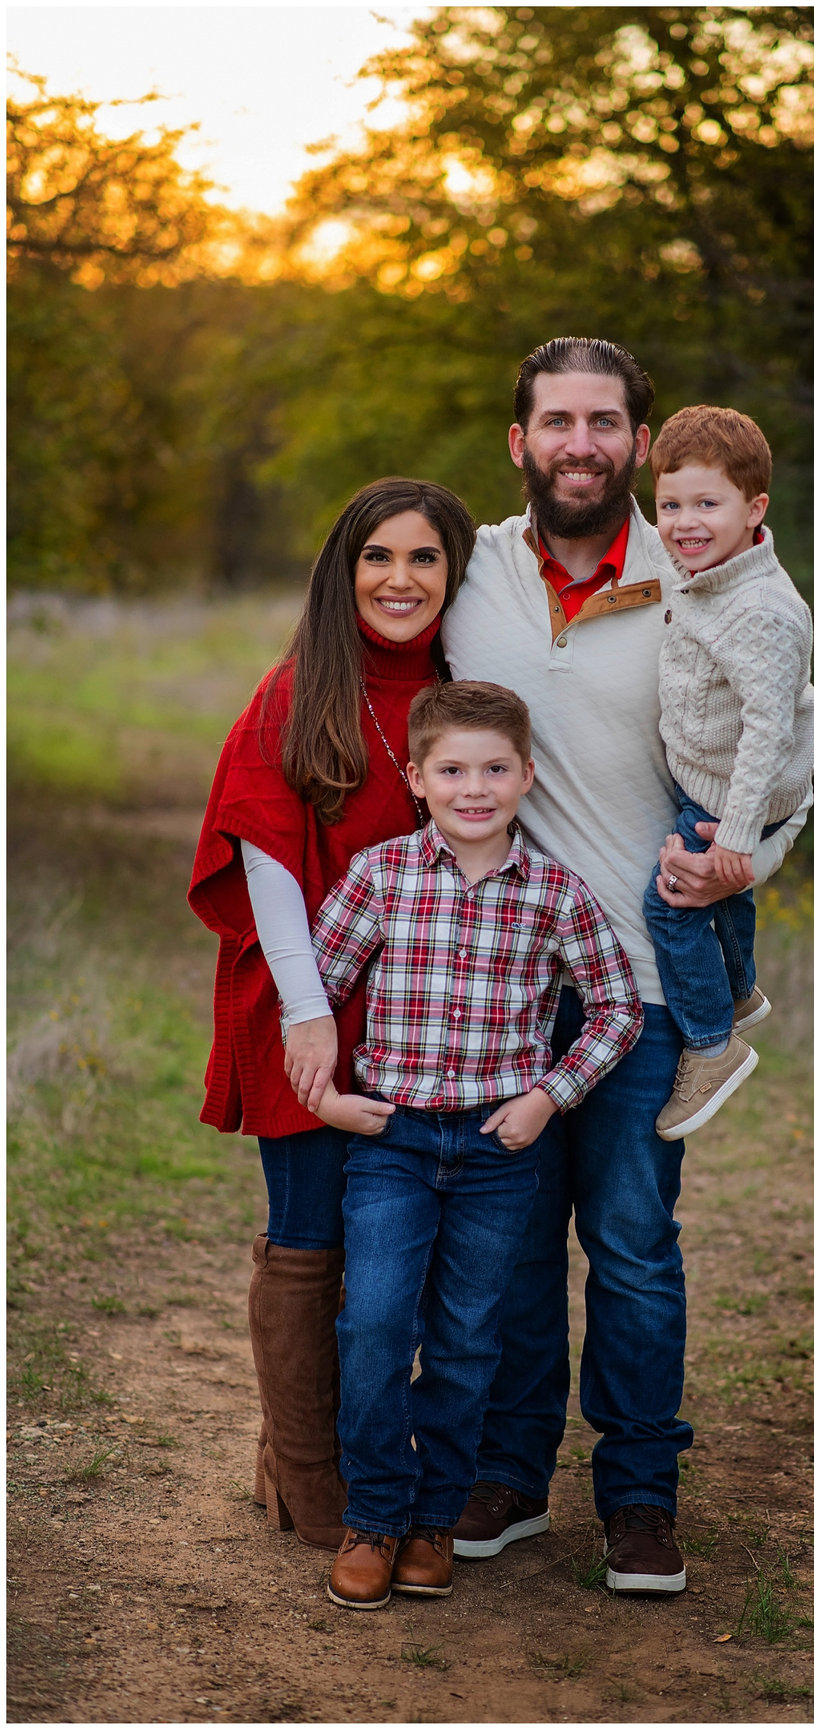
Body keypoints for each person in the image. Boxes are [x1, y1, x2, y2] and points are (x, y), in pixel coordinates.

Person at [440, 337, 812, 1594]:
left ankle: (641, 1493)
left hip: (642, 984)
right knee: (513, 1244)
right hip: (500, 984)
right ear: (521, 442)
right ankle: (507, 1468)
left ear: (641, 445)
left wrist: (746, 861)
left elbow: (790, 748)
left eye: (606, 420)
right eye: (558, 420)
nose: (581, 442)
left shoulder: (701, 571)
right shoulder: (471, 572)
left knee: (636, 1243)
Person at [301, 681, 642, 1610]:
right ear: (416, 778)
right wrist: (329, 1101)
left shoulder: (555, 895)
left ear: (528, 777)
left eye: (495, 769)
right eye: (452, 770)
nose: (474, 788)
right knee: (374, 1323)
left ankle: (432, 1521)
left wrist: (549, 1095)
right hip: (394, 1143)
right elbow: (313, 991)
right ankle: (374, 1513)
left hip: (500, 1150)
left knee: (464, 1339)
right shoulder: (381, 877)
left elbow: (614, 1011)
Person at [188, 477, 475, 1550]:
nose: (400, 579)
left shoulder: (464, 689)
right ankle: (308, 1474)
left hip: (434, 1011)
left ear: (453, 577)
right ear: (342, 570)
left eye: (424, 559)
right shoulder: (302, 687)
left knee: (407, 1247)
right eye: (377, 557)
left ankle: (411, 1466)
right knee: (311, 1235)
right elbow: (265, 858)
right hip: (305, 989)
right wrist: (309, 1017)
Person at [644, 405, 814, 1141]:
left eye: (706, 504)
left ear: (755, 509)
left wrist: (739, 837)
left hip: (739, 796)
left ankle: (713, 1045)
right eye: (670, 505)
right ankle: (740, 988)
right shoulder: (704, 572)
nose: (685, 522)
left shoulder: (761, 609)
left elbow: (767, 728)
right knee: (718, 906)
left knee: (674, 904)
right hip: (715, 786)